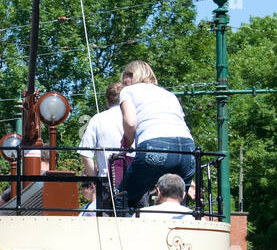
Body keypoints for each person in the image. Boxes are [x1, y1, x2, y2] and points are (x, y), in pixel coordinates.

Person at [118, 61, 195, 208]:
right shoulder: (169, 94)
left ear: (132, 76)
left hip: (155, 145)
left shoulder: (128, 91)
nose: (123, 83)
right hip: (188, 149)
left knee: (121, 198)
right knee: (176, 201)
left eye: (124, 78)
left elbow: (130, 122)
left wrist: (126, 144)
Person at [79, 82, 127, 186]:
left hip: (107, 182)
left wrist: (96, 180)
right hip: (135, 180)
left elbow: (86, 155)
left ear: (107, 101)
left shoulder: (98, 119)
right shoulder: (137, 117)